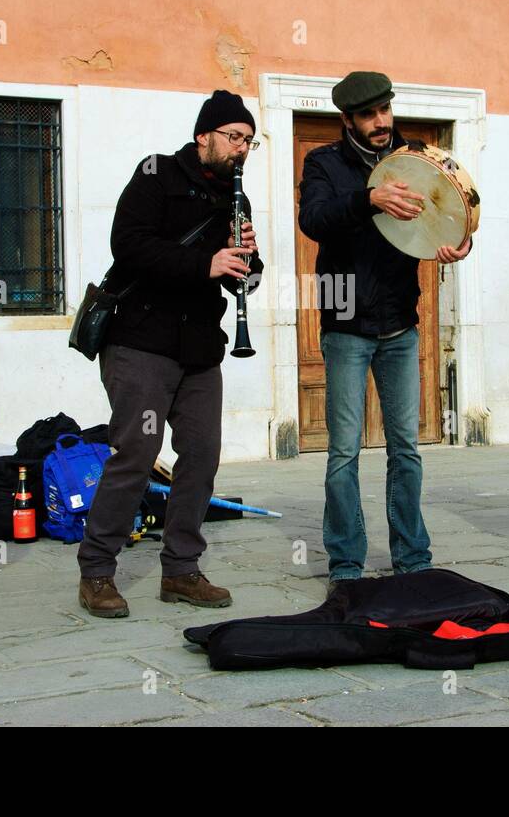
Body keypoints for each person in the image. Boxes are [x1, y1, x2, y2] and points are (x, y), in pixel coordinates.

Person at [77, 90, 264, 618]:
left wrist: (245, 265)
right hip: (140, 340)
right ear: (203, 135)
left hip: (201, 347)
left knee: (202, 456)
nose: (241, 150)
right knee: (136, 451)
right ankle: (97, 571)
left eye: (248, 141)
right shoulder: (155, 174)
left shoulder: (236, 199)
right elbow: (129, 245)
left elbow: (248, 271)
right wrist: (205, 263)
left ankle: (181, 569)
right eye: (233, 137)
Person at [298, 71, 473, 594]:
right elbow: (314, 219)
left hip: (401, 319)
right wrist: (368, 199)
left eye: (386, 111)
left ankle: (413, 558)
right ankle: (346, 564)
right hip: (344, 317)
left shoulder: (417, 159)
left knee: (406, 448)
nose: (382, 122)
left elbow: (449, 213)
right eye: (370, 115)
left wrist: (455, 244)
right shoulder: (322, 163)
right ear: (348, 119)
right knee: (344, 451)